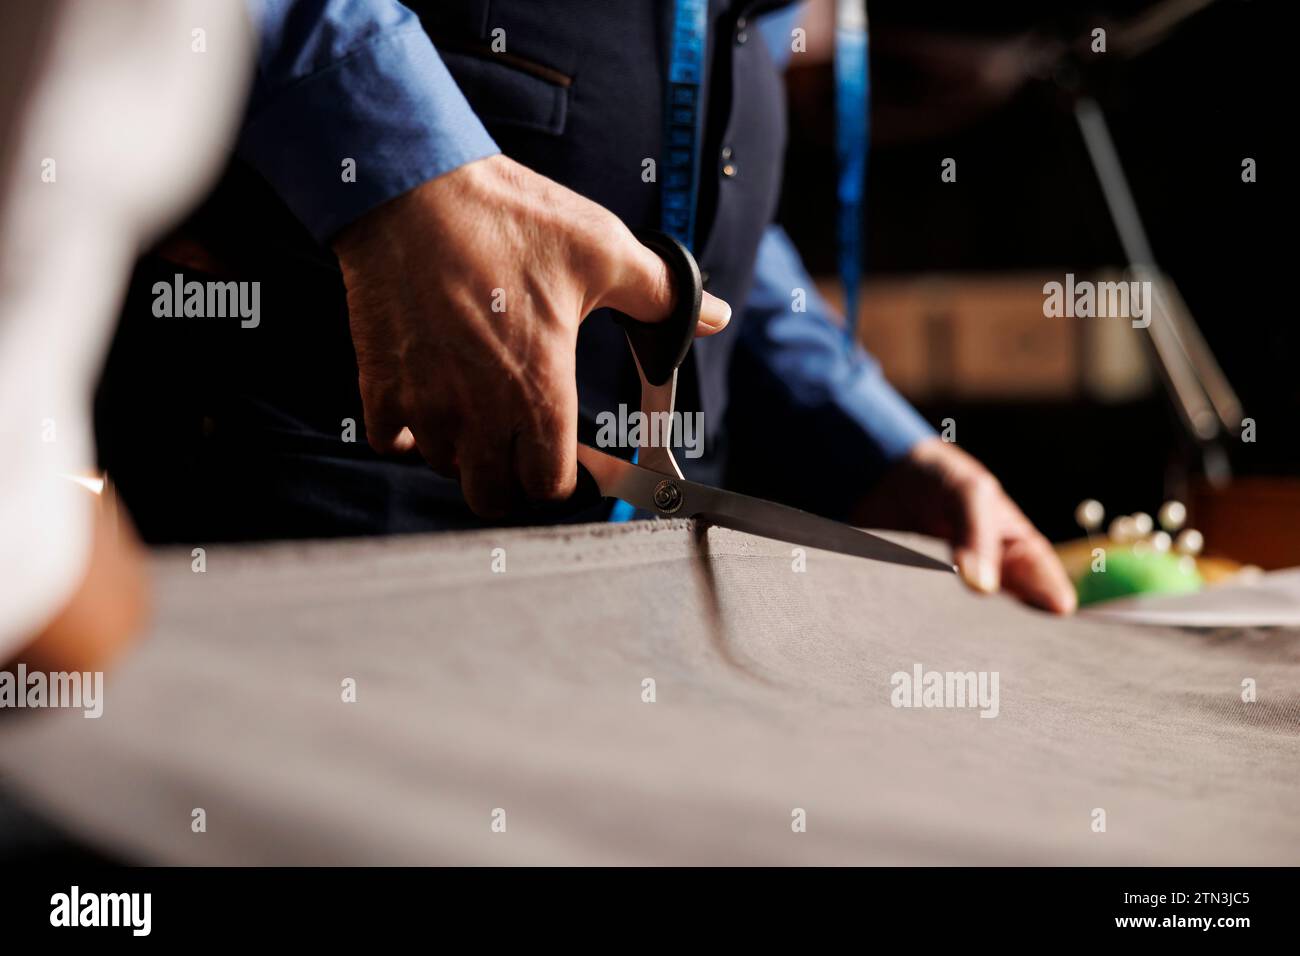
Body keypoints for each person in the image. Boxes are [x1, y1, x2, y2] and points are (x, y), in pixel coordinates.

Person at [97, 0, 1074, 613]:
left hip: (627, 623)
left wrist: (874, 444)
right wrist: (403, 178)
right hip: (282, 561)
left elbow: (701, 235)